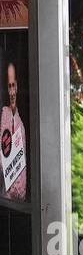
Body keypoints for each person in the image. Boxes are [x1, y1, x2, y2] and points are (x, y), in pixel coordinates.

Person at [1, 60, 27, 201]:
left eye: (13, 86)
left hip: (18, 199)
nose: (11, 91)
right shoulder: (3, 117)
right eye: (9, 86)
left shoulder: (21, 123)